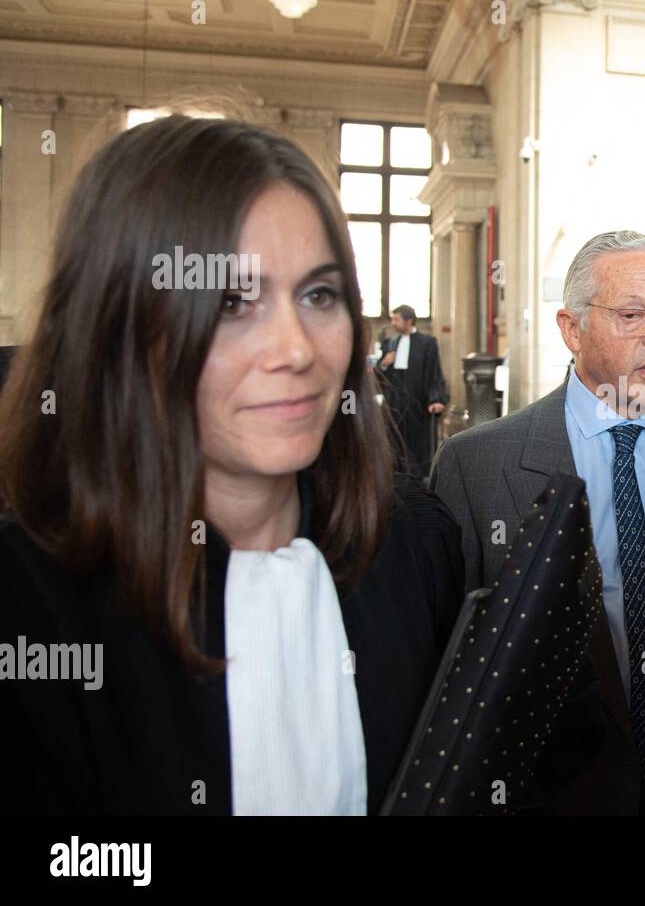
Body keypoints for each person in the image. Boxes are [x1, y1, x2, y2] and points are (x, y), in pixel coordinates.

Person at [0, 116, 466, 815]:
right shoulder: (27, 605)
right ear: (121, 327)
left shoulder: (416, 548)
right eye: (230, 302)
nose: (296, 349)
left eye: (318, 295)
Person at [432, 230, 645, 815]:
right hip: (557, 791)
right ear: (571, 328)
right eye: (632, 315)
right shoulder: (476, 464)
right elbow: (450, 675)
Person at [377, 304, 449, 483]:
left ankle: (417, 478)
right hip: (394, 400)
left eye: (397, 319)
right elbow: (380, 372)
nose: (393, 323)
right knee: (394, 437)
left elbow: (434, 373)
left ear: (409, 321)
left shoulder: (427, 343)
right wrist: (384, 363)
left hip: (417, 400)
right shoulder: (391, 342)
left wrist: (436, 399)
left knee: (417, 440)